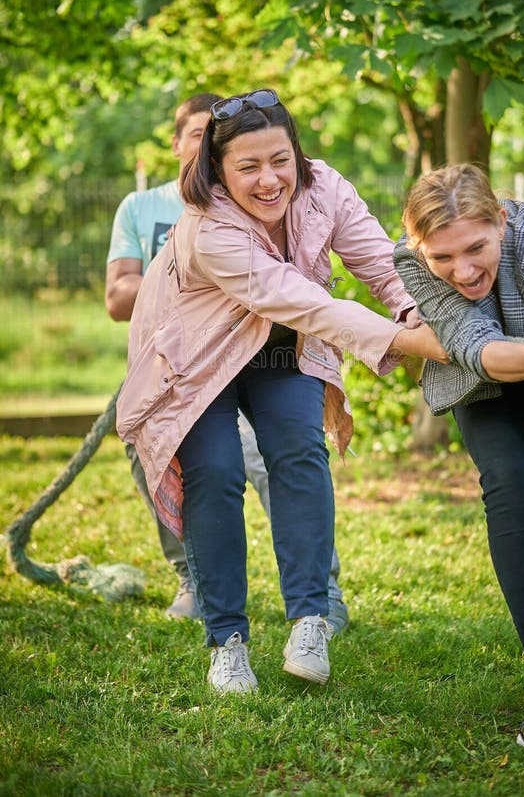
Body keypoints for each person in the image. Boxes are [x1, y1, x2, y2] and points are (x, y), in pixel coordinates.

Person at [116, 88, 447, 694]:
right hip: (200, 358)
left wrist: (411, 310)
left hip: (282, 349)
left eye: (280, 161)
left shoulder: (325, 188)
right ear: (218, 169)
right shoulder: (207, 227)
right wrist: (425, 346)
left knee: (299, 449)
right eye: (248, 166)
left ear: (297, 154)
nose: (269, 180)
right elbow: (309, 302)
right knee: (214, 473)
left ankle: (309, 620)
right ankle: (227, 641)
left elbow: (379, 259)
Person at [106, 93, 350, 628]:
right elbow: (116, 295)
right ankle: (195, 582)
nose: (201, 147)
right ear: (182, 147)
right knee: (200, 467)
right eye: (194, 136)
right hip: (188, 358)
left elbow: (295, 287)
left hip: (271, 349)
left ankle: (318, 595)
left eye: (208, 136)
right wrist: (179, 277)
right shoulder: (149, 208)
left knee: (290, 451)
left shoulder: (269, 194)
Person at [393, 162, 524, 751]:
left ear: (501, 222)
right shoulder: (411, 265)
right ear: (418, 249)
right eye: (443, 258)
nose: (462, 270)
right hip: (484, 384)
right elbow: (474, 348)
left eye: (476, 248)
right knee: (508, 488)